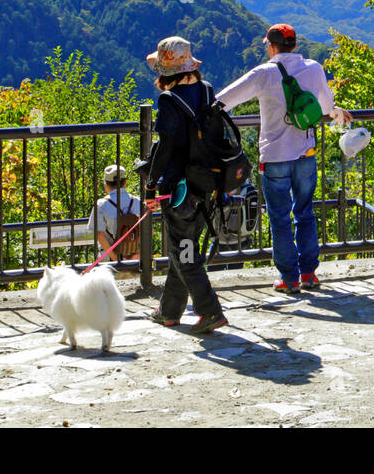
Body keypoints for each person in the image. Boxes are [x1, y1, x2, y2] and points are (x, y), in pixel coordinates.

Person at [216, 24, 350, 294]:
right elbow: (325, 107)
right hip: (306, 152)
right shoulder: (314, 68)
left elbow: (222, 101)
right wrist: (334, 111)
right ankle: (309, 273)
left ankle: (289, 278)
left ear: (272, 46)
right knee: (305, 212)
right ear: (295, 45)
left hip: (275, 156)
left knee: (279, 217)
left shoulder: (264, 73)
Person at [143, 36, 228, 334]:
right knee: (186, 246)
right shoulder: (206, 90)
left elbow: (166, 147)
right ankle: (169, 311)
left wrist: (152, 187)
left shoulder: (169, 100)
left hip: (178, 186)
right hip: (208, 181)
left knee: (183, 251)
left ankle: (209, 311)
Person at [88, 165, 142, 263]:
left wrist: (115, 258)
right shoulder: (138, 202)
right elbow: (149, 231)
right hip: (136, 260)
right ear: (125, 183)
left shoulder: (101, 204)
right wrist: (137, 254)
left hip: (109, 260)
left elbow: (99, 234)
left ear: (106, 184)